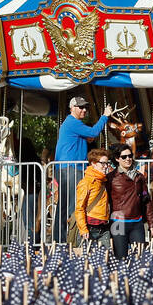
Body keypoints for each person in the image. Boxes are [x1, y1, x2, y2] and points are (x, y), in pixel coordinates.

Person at [52, 96, 115, 242]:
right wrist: (105, 116)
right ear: (72, 108)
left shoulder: (72, 124)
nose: (84, 110)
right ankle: (69, 241)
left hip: (68, 168)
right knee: (73, 206)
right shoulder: (72, 122)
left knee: (66, 206)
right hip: (71, 169)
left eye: (85, 107)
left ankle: (61, 240)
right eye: (81, 107)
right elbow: (93, 132)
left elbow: (88, 136)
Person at [107, 144, 153, 259]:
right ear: (117, 159)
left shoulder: (139, 177)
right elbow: (104, 200)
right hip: (117, 222)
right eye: (124, 157)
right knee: (120, 259)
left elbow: (146, 201)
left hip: (136, 222)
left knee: (139, 258)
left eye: (130, 156)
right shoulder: (110, 178)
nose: (128, 159)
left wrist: (151, 224)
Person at [75, 148, 112, 246]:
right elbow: (79, 208)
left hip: (104, 227)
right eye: (103, 163)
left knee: (106, 259)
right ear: (93, 163)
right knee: (86, 260)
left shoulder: (103, 181)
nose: (106, 166)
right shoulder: (86, 183)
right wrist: (83, 229)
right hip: (89, 228)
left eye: (107, 163)